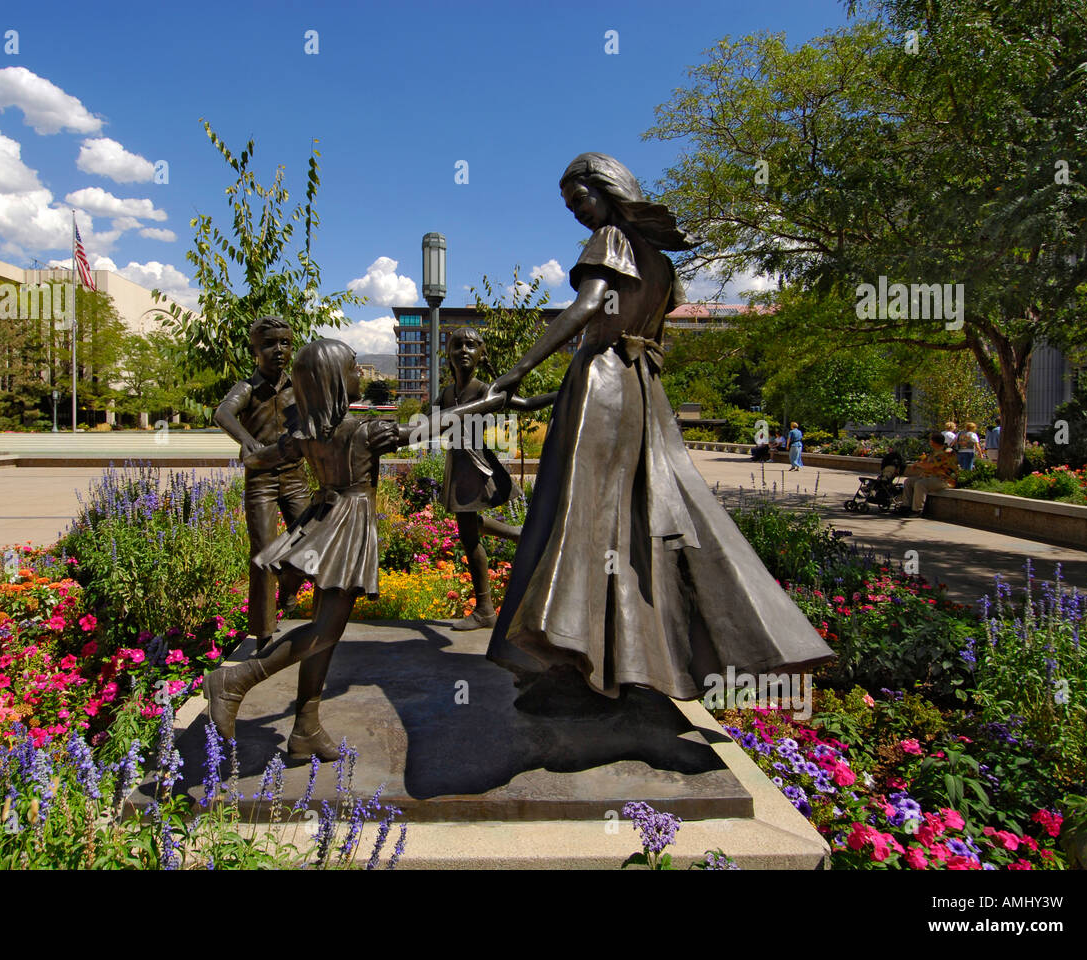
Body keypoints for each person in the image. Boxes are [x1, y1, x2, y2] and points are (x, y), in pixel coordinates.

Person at [483, 152, 833, 705]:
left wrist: (516, 370)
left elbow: (588, 308)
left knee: (579, 516)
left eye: (579, 199)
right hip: (643, 391)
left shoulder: (612, 240)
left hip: (600, 381)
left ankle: (570, 651)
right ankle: (639, 660)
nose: (576, 212)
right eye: (570, 204)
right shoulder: (664, 265)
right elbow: (652, 332)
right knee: (637, 521)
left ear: (607, 191)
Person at [207, 339, 420, 761]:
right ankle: (235, 681)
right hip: (347, 526)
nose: (361, 374)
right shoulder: (366, 430)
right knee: (325, 631)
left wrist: (251, 450)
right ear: (335, 381)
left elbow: (257, 460)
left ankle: (306, 727)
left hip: (323, 515)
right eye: (355, 367)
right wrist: (484, 405)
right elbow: (432, 427)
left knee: (325, 631)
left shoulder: (305, 434)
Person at [436, 326, 554, 630]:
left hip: (476, 469)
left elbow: (525, 404)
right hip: (456, 467)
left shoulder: (484, 390)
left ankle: (485, 610)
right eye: (457, 345)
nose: (464, 350)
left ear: (481, 354)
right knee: (469, 526)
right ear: (448, 354)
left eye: (472, 345)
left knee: (468, 536)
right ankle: (516, 533)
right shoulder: (446, 394)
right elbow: (430, 426)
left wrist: (565, 391)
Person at [213, 316, 311, 649]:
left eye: (285, 343)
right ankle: (264, 634)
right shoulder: (247, 388)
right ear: (255, 350)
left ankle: (287, 589)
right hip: (262, 481)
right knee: (264, 554)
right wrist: (246, 440)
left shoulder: (298, 386)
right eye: (269, 344)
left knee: (312, 538)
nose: (279, 350)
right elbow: (222, 413)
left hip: (296, 476)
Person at [896, 431, 958, 516]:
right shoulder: (934, 452)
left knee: (920, 484)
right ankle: (906, 506)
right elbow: (927, 463)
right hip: (931, 477)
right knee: (908, 481)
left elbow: (930, 466)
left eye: (930, 440)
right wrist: (920, 462)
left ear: (933, 442)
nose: (929, 442)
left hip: (944, 479)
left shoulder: (946, 452)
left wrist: (918, 464)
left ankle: (917, 510)